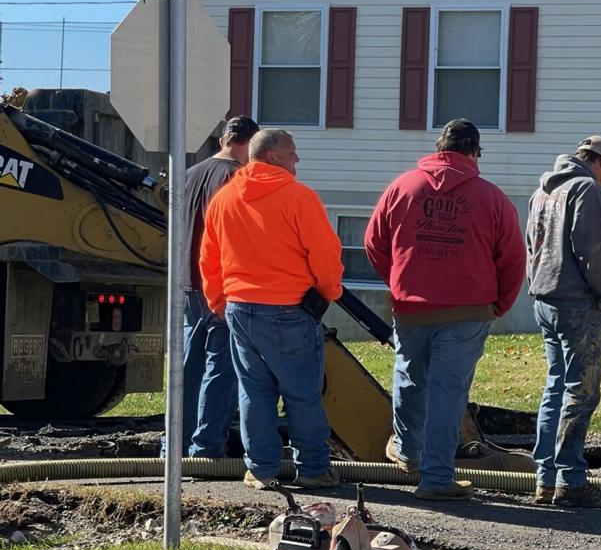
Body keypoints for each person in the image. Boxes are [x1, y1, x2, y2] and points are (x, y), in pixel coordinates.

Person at [364, 119, 525, 502]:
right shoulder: (491, 197)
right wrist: (499, 303)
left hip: (412, 308)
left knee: (409, 378)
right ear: (474, 152)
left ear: (439, 149)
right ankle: (436, 478)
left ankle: (408, 453)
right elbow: (514, 259)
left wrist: (398, 280)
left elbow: (373, 242)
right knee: (447, 392)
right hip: (467, 310)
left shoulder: (402, 187)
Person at [199, 129, 344, 490]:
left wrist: (218, 301)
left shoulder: (224, 198)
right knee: (302, 393)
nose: (297, 160)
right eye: (293, 153)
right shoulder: (299, 197)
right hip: (288, 310)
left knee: (254, 391)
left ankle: (261, 469)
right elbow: (325, 255)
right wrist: (329, 291)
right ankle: (313, 469)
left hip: (239, 309)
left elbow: (209, 258)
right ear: (275, 156)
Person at [527, 135, 601, 508]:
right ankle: (571, 480)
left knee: (555, 388)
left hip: (545, 299)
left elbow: (531, 246)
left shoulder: (543, 190)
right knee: (581, 392)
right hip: (578, 304)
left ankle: (545, 478)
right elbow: (594, 251)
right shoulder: (586, 189)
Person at [165, 115, 259, 460]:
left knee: (186, 367)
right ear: (246, 143)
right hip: (221, 284)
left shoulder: (189, 175)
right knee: (222, 366)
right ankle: (206, 446)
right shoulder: (237, 177)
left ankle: (173, 444)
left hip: (186, 283)